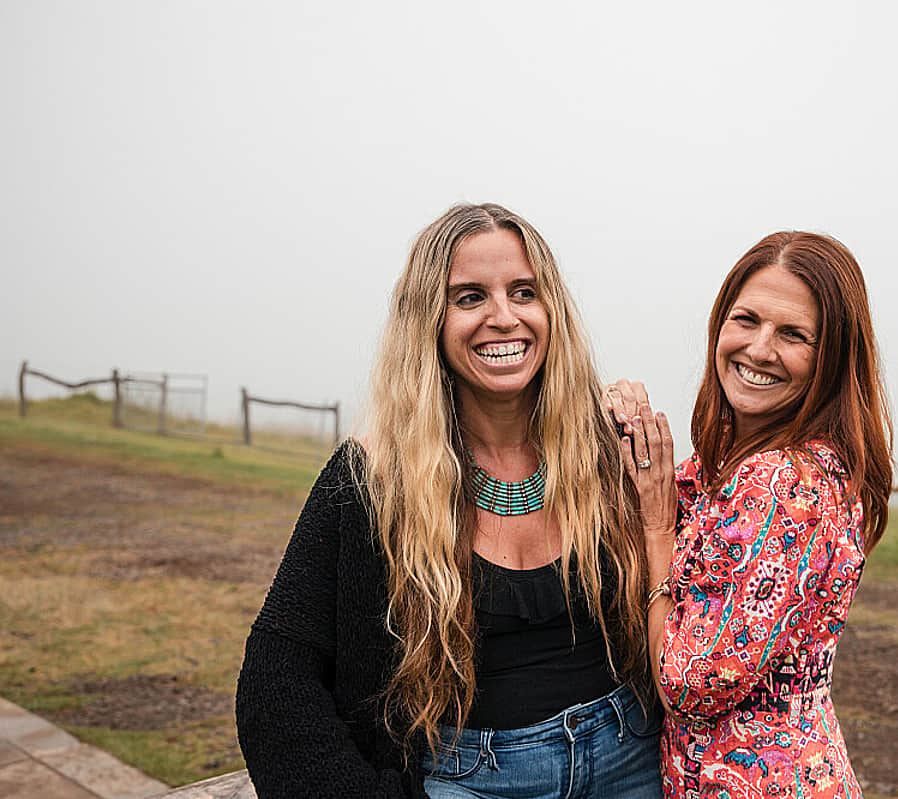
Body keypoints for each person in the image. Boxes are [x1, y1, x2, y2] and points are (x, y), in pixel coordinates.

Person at [236, 203, 663, 798]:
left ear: (553, 311)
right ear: (428, 320)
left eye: (524, 292)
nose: (503, 317)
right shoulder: (373, 478)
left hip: (631, 755)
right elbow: (276, 678)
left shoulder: (607, 448)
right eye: (469, 298)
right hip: (466, 777)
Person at [608, 231, 893, 798]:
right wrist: (613, 413)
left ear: (831, 358)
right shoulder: (759, 464)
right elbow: (673, 491)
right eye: (747, 320)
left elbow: (689, 682)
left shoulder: (781, 483)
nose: (760, 349)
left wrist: (658, 530)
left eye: (793, 335)